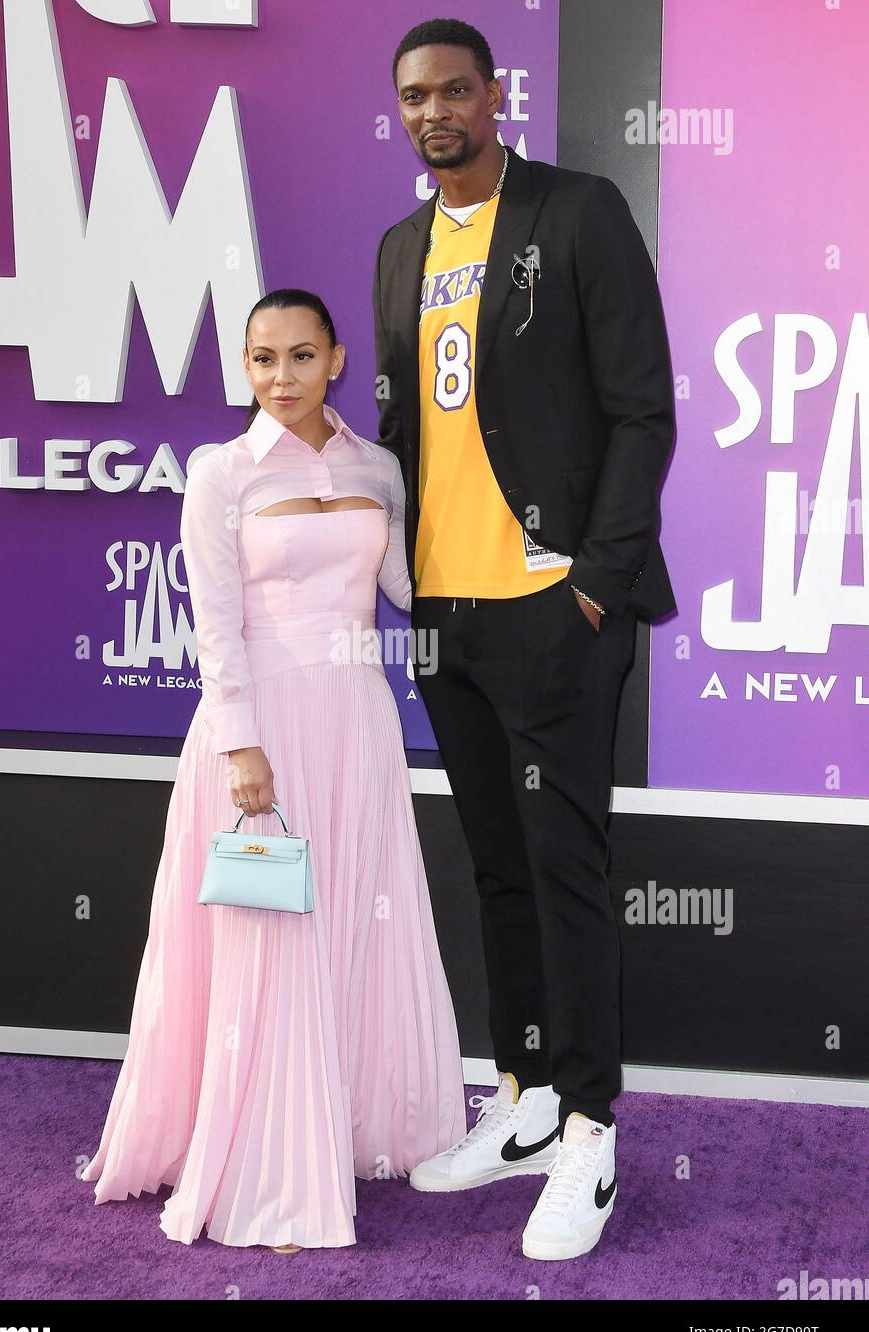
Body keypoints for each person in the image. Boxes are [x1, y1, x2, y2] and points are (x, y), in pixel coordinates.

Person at [373, 18, 676, 1260]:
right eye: (412, 96)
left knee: (564, 869)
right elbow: (408, 430)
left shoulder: (578, 211)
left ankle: (594, 1130)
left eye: (454, 88)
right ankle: (528, 1097)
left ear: (496, 96)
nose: (434, 110)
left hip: (553, 610)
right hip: (445, 618)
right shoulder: (400, 247)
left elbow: (641, 406)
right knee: (497, 864)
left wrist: (593, 583)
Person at [79, 288, 466, 1251]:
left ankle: (353, 1131)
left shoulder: (376, 466)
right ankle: (272, 1173)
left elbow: (410, 589)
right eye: (262, 359)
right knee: (272, 938)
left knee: (353, 913)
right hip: (260, 730)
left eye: (300, 357)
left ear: (335, 359)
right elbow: (215, 623)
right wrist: (241, 742)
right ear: (245, 367)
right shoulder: (221, 473)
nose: (281, 378)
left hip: (358, 723)